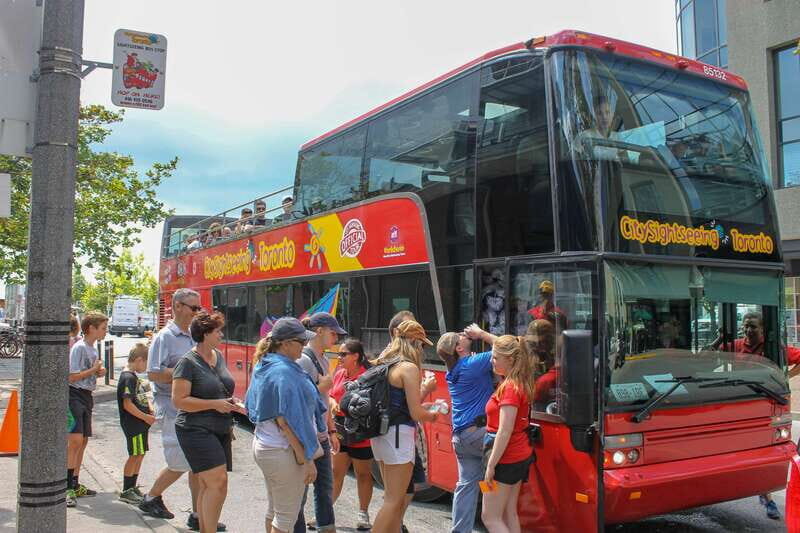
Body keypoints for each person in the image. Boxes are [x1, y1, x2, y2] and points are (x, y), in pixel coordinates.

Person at [140, 288, 225, 532]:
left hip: (193, 408)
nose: (198, 312)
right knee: (180, 462)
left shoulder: (192, 335)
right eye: (193, 308)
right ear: (177, 306)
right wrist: (187, 377)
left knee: (197, 465)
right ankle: (151, 497)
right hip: (172, 406)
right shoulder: (164, 337)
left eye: (200, 308)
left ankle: (199, 514)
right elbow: (154, 372)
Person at [713, 311, 800, 521]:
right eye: (745, 326)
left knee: (766, 452)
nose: (748, 330)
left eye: (753, 326)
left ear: (762, 329)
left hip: (769, 407)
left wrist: (785, 376)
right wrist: (718, 337)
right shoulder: (734, 345)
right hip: (743, 407)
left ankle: (767, 496)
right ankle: (763, 495)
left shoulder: (773, 348)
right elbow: (708, 354)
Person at [247, 318, 325, 533]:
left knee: (274, 512)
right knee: (284, 520)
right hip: (283, 451)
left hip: (266, 446)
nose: (305, 345)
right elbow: (286, 422)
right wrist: (307, 459)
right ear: (286, 343)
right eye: (301, 341)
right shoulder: (284, 372)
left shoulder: (267, 363)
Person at [173, 311, 243, 533]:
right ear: (204, 334)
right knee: (218, 483)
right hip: (195, 429)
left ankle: (206, 529)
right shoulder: (187, 363)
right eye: (217, 331)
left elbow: (219, 389)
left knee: (208, 484)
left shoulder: (217, 356)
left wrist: (231, 402)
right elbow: (179, 401)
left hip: (219, 427)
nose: (222, 335)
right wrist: (215, 404)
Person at [370, 320, 439, 533]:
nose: (422, 349)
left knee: (394, 499)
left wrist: (421, 405)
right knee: (393, 500)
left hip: (381, 434)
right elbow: (416, 413)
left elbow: (400, 403)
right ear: (413, 341)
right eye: (422, 344)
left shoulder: (385, 362)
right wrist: (433, 415)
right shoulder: (408, 367)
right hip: (398, 436)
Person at [436, 331, 494, 533]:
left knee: (466, 485)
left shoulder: (453, 370)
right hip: (479, 434)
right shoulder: (473, 363)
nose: (463, 334)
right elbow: (506, 347)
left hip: (460, 437)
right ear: (459, 348)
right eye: (459, 336)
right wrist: (482, 334)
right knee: (498, 477)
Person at [295, 312, 346, 533]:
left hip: (322, 433)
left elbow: (324, 403)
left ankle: (327, 527)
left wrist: (332, 430)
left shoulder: (323, 359)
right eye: (333, 333)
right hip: (307, 435)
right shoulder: (303, 360)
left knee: (325, 487)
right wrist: (320, 389)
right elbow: (296, 401)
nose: (336, 338)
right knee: (302, 489)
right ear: (319, 331)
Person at [481, 335, 535, 533]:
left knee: (489, 517)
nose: (491, 361)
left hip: (505, 458)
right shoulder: (519, 382)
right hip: (518, 455)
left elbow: (504, 431)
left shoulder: (510, 388)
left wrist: (490, 466)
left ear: (510, 360)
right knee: (508, 512)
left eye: (495, 357)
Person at [330, 338, 374, 531]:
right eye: (339, 354)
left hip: (360, 431)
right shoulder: (339, 373)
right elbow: (331, 394)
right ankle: (325, 512)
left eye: (343, 354)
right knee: (336, 472)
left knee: (363, 474)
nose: (339, 357)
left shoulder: (367, 376)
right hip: (340, 428)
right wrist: (333, 403)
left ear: (355, 356)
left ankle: (363, 514)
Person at [66, 312, 108, 507]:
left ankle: (74, 482)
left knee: (82, 441)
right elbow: (72, 376)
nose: (105, 331)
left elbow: (86, 376)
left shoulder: (92, 349)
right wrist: (93, 370)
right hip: (75, 395)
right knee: (74, 440)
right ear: (91, 328)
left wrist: (98, 373)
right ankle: (67, 486)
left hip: (86, 395)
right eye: (103, 328)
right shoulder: (79, 348)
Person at [117, 343, 156, 504]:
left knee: (140, 454)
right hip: (134, 424)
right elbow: (127, 404)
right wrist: (144, 417)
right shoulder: (128, 378)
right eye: (146, 363)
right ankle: (127, 490)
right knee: (134, 455)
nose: (146, 367)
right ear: (139, 360)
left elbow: (142, 397)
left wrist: (149, 412)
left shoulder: (133, 376)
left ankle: (132, 487)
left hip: (140, 423)